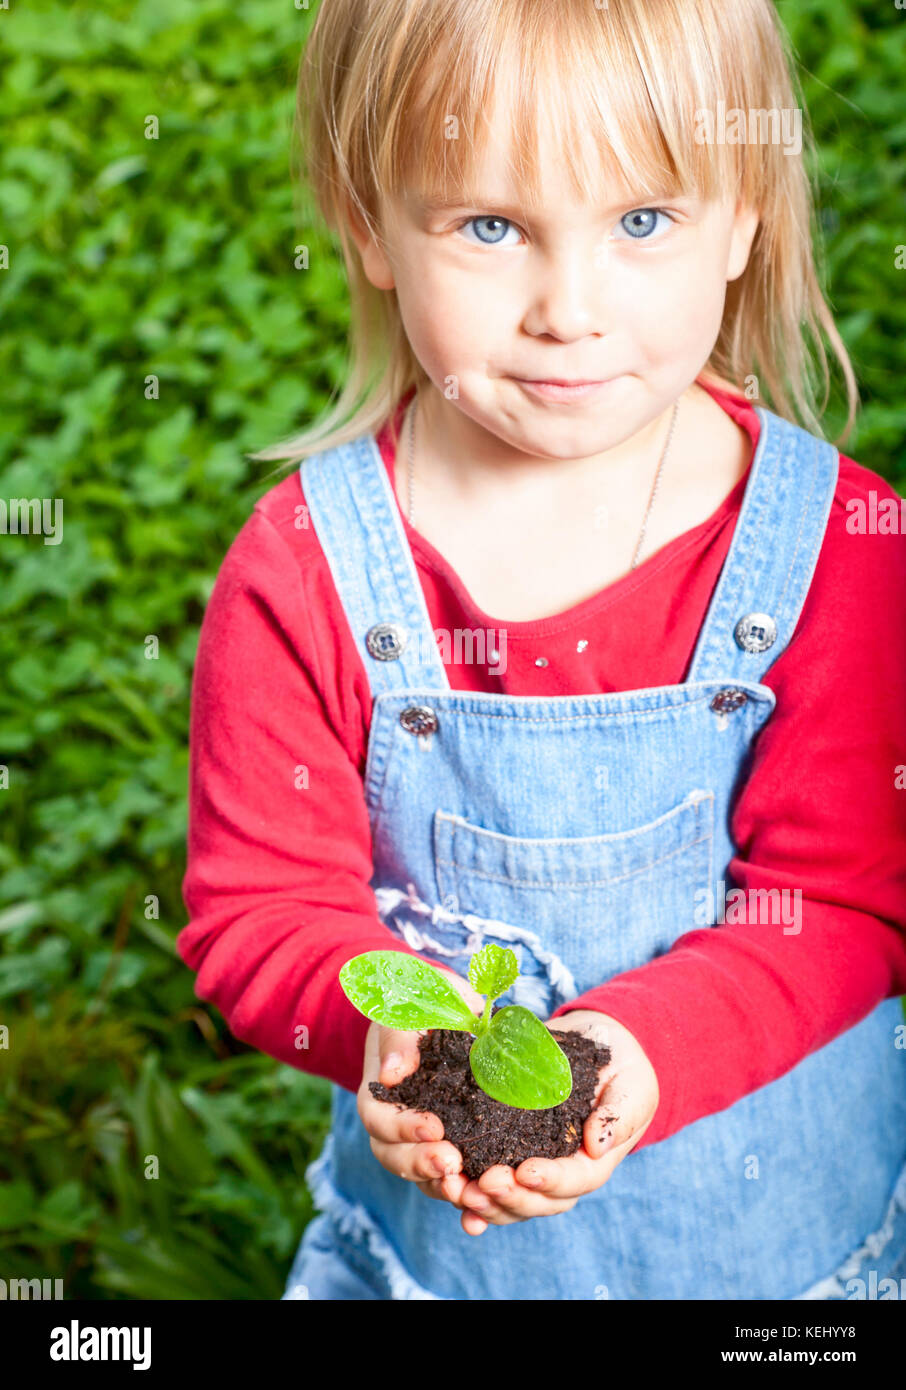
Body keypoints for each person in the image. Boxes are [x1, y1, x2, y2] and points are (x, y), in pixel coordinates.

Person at [176, 0, 906, 1299]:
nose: (568, 309)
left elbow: (845, 898)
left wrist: (638, 1046)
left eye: (640, 221)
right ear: (368, 222)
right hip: (430, 1267)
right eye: (489, 226)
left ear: (741, 213)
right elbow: (256, 913)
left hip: (782, 1260)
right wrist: (382, 1023)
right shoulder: (308, 569)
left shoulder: (838, 546)